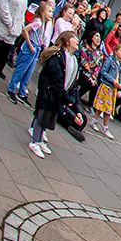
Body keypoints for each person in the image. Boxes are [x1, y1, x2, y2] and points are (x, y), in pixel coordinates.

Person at [28, 31, 80, 159]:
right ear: (67, 41)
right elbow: (57, 79)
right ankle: (34, 142)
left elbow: (73, 81)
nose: (77, 40)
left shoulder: (73, 59)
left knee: (48, 117)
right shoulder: (57, 57)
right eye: (74, 38)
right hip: (49, 92)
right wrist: (65, 97)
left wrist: (71, 97)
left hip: (58, 95)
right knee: (42, 116)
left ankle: (40, 140)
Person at [7, 0, 54, 105]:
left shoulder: (44, 23)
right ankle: (11, 89)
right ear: (43, 12)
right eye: (49, 11)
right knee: (21, 69)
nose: (51, 14)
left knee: (29, 72)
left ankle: (22, 92)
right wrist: (30, 44)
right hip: (30, 48)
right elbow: (25, 30)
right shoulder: (38, 22)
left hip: (36, 48)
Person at [91, 45, 121, 140]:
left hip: (113, 89)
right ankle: (105, 127)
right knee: (106, 108)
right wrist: (113, 80)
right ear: (116, 52)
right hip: (107, 86)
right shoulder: (110, 60)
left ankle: (95, 120)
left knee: (106, 107)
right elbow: (103, 71)